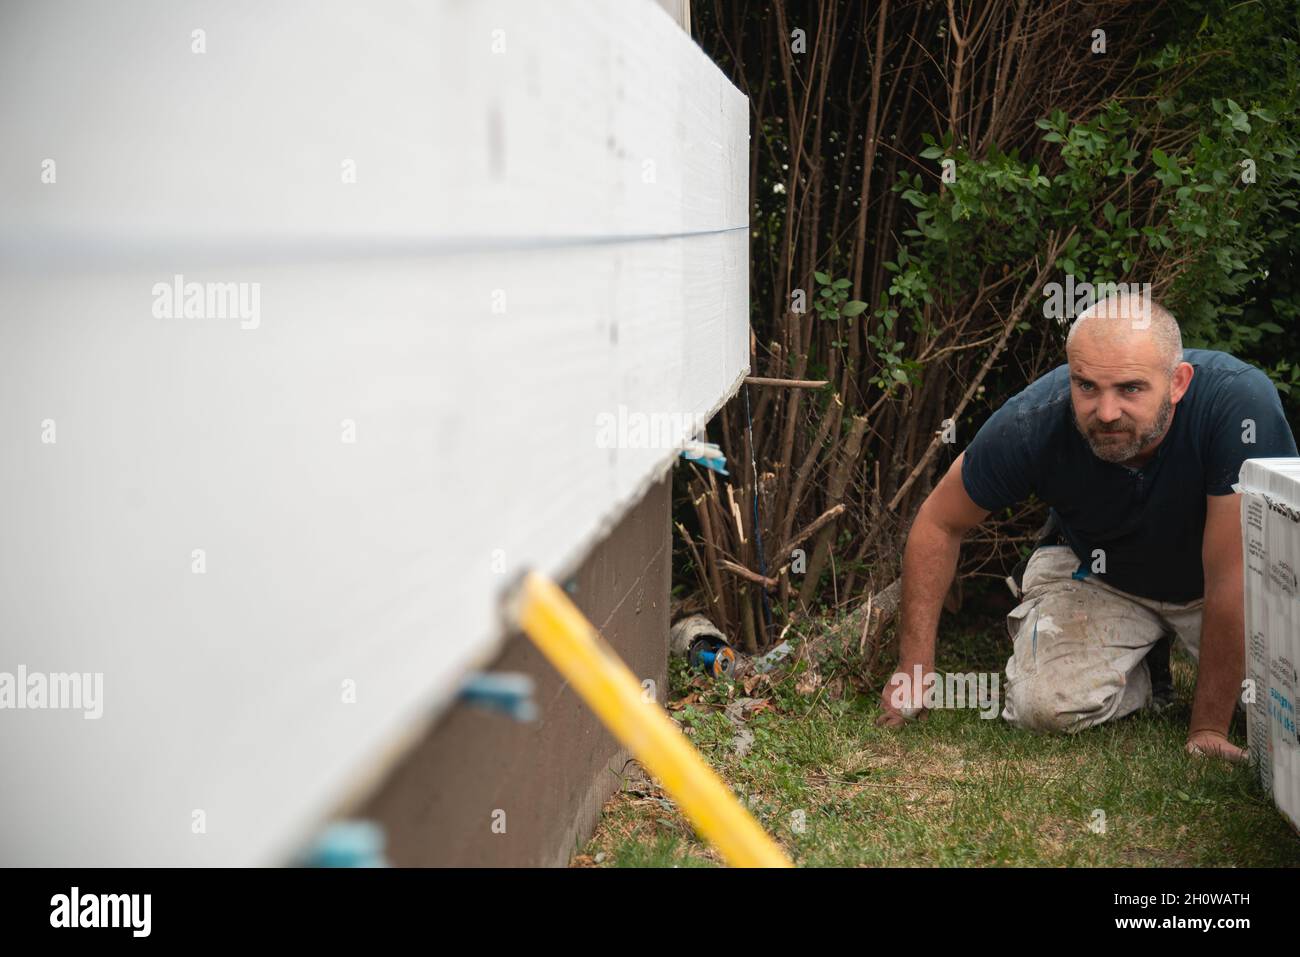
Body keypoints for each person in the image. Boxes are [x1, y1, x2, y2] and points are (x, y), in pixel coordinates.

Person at [877, 293, 1298, 762]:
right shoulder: (1034, 420)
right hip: (1100, 574)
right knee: (1042, 708)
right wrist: (914, 668)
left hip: (1217, 585)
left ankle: (1166, 671)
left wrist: (1207, 728)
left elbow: (1232, 577)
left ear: (1178, 382)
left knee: (1281, 710)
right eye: (1087, 386)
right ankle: (1144, 672)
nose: (1106, 412)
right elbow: (939, 521)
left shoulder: (1238, 405)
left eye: (1130, 389)